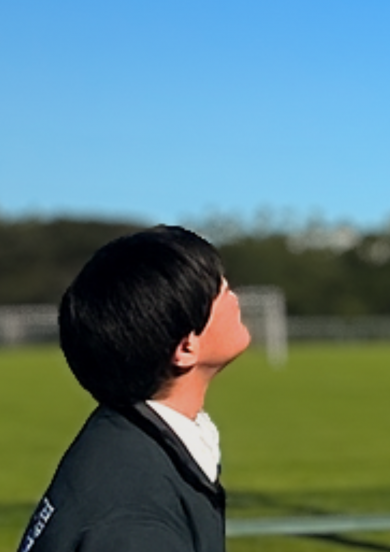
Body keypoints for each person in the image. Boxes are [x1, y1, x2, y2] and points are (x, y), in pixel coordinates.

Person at [15, 225, 252, 551]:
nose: (231, 293)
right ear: (185, 348)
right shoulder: (133, 517)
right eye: (217, 288)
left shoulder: (130, 436)